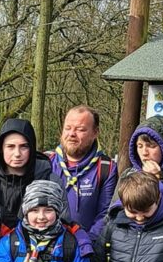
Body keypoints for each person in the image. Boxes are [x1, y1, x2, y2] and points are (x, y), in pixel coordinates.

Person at [49, 105, 118, 246]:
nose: (72, 134)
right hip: (47, 248)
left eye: (80, 129)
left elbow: (105, 214)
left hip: (85, 249)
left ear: (95, 133)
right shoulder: (46, 162)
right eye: (68, 128)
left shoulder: (106, 167)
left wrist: (83, 243)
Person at [0, 118, 57, 244]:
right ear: (1, 149)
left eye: (23, 147)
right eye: (10, 147)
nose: (17, 154)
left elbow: (62, 219)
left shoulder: (49, 179)